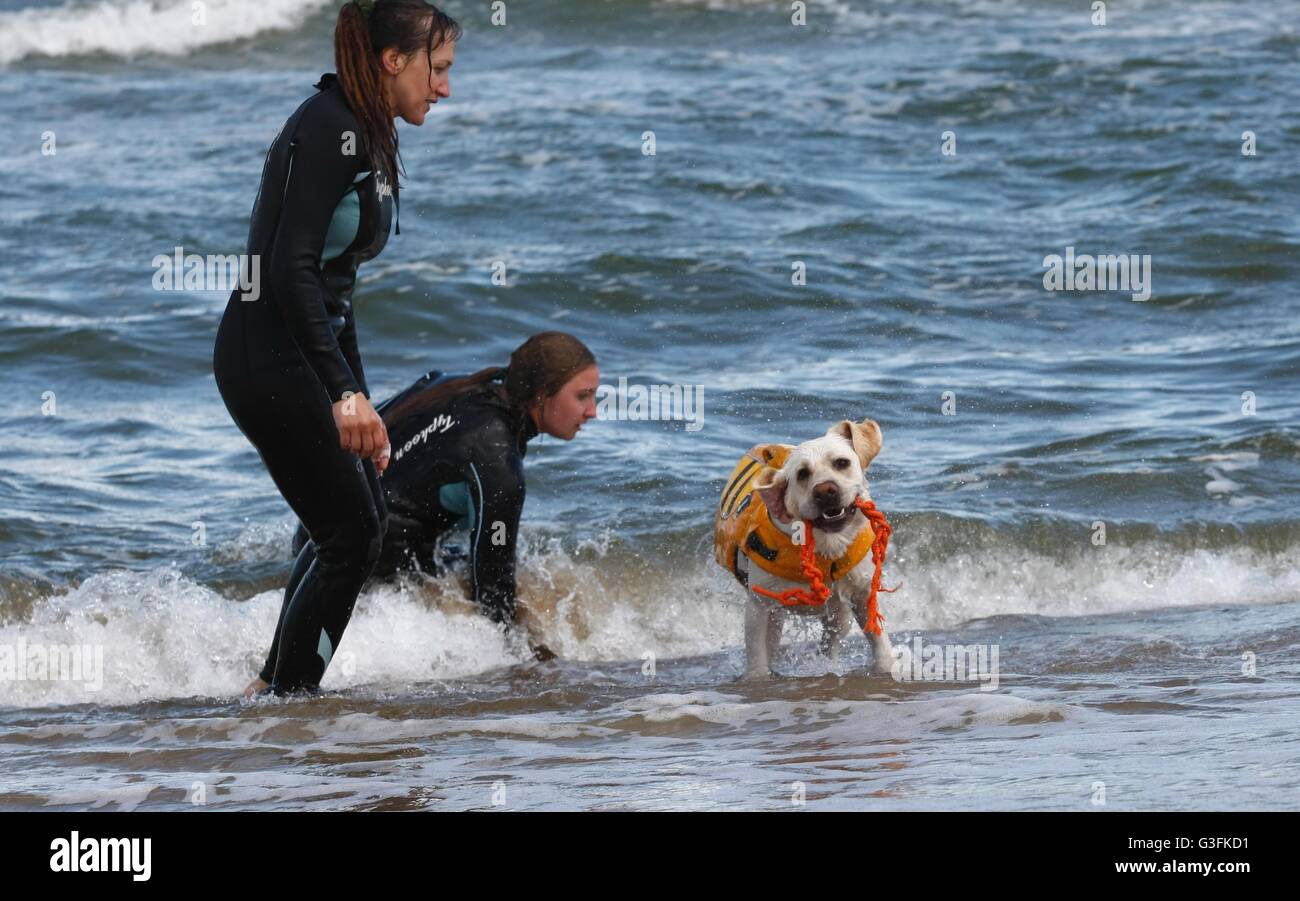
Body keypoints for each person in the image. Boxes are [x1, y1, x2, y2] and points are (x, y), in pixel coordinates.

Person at [213, 0, 462, 695]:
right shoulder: (331, 129)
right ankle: (287, 700)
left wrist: (361, 400)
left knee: (360, 524)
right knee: (351, 534)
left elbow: (334, 286)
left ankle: (274, 692)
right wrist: (343, 391)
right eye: (436, 70)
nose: (445, 87)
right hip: (266, 353)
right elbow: (290, 270)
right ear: (394, 61)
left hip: (299, 352)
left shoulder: (362, 130)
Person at [242, 332, 600, 698]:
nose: (593, 411)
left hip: (315, 535)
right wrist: (524, 657)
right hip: (366, 567)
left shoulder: (447, 385)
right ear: (542, 395)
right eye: (582, 396)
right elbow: (491, 583)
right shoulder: (498, 464)